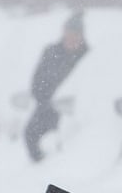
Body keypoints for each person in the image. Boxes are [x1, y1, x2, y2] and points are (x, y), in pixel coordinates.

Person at [24, 9, 88, 162]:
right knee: (30, 133)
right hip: (47, 107)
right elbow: (37, 82)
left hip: (74, 112)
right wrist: (46, 101)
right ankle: (41, 166)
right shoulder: (52, 53)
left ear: (81, 36)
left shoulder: (87, 57)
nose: (71, 38)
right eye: (69, 34)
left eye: (75, 35)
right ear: (63, 33)